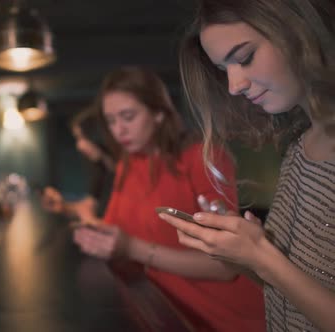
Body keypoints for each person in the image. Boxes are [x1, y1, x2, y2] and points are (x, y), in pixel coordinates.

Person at [159, 1, 335, 331]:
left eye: (244, 58)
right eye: (225, 70)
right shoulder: (299, 150)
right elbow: (289, 291)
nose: (234, 85)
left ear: (300, 32)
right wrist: (239, 253)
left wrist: (260, 256)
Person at [72, 66, 265, 332]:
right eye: (111, 121)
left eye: (128, 117)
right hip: (164, 310)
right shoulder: (128, 163)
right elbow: (115, 230)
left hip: (223, 317)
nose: (119, 130)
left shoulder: (202, 158)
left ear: (159, 113)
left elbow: (226, 266)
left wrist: (132, 248)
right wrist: (84, 222)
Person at [41, 108, 117, 222]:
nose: (79, 146)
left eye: (82, 137)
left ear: (98, 135)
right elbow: (88, 206)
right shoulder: (103, 173)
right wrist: (62, 206)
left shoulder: (125, 174)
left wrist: (89, 218)